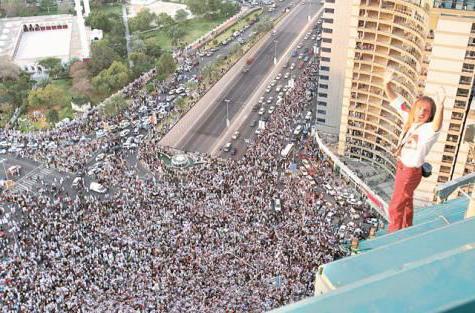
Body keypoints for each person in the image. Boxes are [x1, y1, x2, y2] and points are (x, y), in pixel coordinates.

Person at [383, 68, 445, 232]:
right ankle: (406, 227)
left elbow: (437, 125)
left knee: (395, 205)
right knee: (406, 200)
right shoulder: (410, 119)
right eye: (419, 108)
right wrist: (386, 84)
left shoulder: (428, 130)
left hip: (409, 172)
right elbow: (396, 101)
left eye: (426, 111)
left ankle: (393, 235)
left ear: (430, 115)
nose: (421, 112)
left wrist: (440, 106)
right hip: (403, 167)